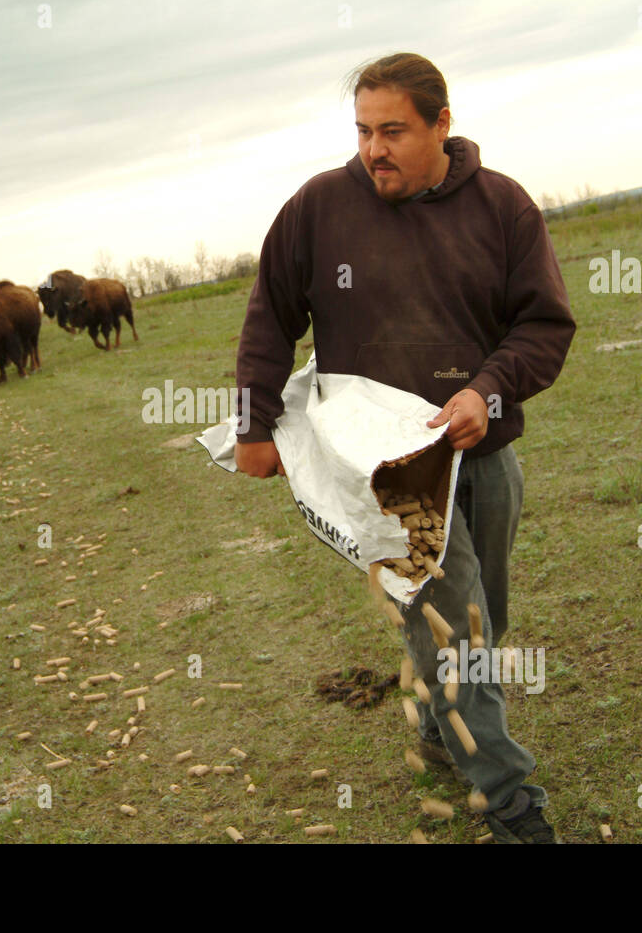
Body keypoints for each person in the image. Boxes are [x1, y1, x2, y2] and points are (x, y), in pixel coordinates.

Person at [233, 52, 576, 843]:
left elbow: (544, 326)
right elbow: (268, 319)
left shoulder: (502, 208)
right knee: (459, 625)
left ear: (442, 126)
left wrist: (485, 391)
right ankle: (509, 797)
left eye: (392, 131)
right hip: (388, 474)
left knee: (484, 609)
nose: (373, 149)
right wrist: (253, 424)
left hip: (483, 454)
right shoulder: (318, 209)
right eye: (362, 131)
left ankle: (435, 723)